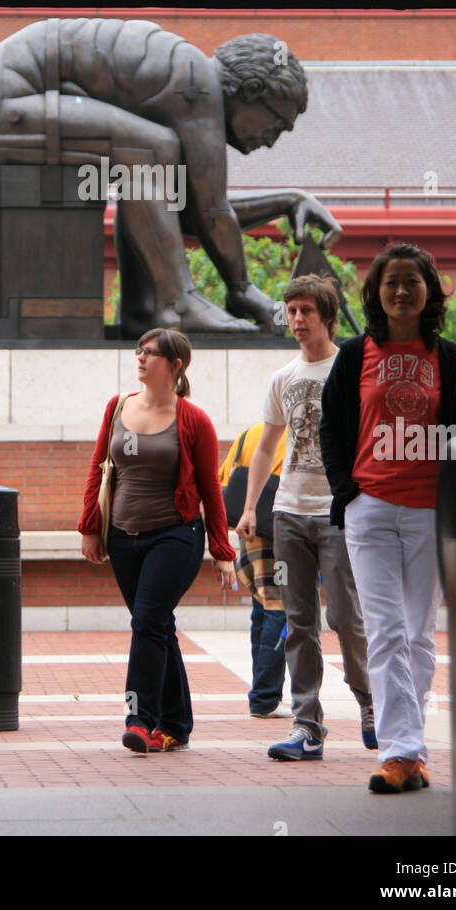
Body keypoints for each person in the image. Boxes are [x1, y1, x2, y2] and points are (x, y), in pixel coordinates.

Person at [0, 17, 341, 337]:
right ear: (252, 90)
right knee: (150, 149)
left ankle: (144, 310)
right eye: (276, 124)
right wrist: (242, 290)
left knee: (149, 158)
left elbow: (183, 209)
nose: (270, 141)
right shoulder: (198, 83)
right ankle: (176, 304)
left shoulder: (188, 75)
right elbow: (210, 212)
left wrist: (288, 201)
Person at [319, 243, 456, 793]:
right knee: (383, 630)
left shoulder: (448, 356)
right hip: (372, 509)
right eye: (391, 282)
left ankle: (410, 751)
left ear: (429, 290)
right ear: (377, 294)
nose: (402, 290)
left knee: (418, 634)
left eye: (412, 280)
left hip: (429, 510)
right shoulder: (355, 355)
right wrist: (348, 491)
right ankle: (402, 752)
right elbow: (331, 429)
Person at [238, 274, 375, 762]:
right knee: (298, 621)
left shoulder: (350, 368)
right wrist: (252, 505)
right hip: (289, 511)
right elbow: (266, 447)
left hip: (338, 511)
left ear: (327, 316)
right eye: (291, 311)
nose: (296, 320)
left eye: (305, 311)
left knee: (344, 616)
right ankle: (307, 725)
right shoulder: (283, 378)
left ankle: (369, 703)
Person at [78, 328, 236, 753]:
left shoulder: (193, 419)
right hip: (123, 539)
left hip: (175, 536)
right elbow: (99, 467)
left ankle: (140, 718)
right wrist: (91, 525)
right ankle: (177, 723)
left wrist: (222, 551)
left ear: (175, 365)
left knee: (146, 622)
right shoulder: (118, 406)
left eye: (150, 353)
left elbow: (209, 487)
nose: (141, 358)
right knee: (157, 627)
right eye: (139, 351)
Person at [219, 423, 291, 718]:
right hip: (280, 532)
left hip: (249, 530)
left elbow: (223, 477)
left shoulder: (249, 433)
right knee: (279, 608)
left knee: (262, 607)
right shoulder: (296, 434)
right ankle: (265, 697)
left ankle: (262, 694)